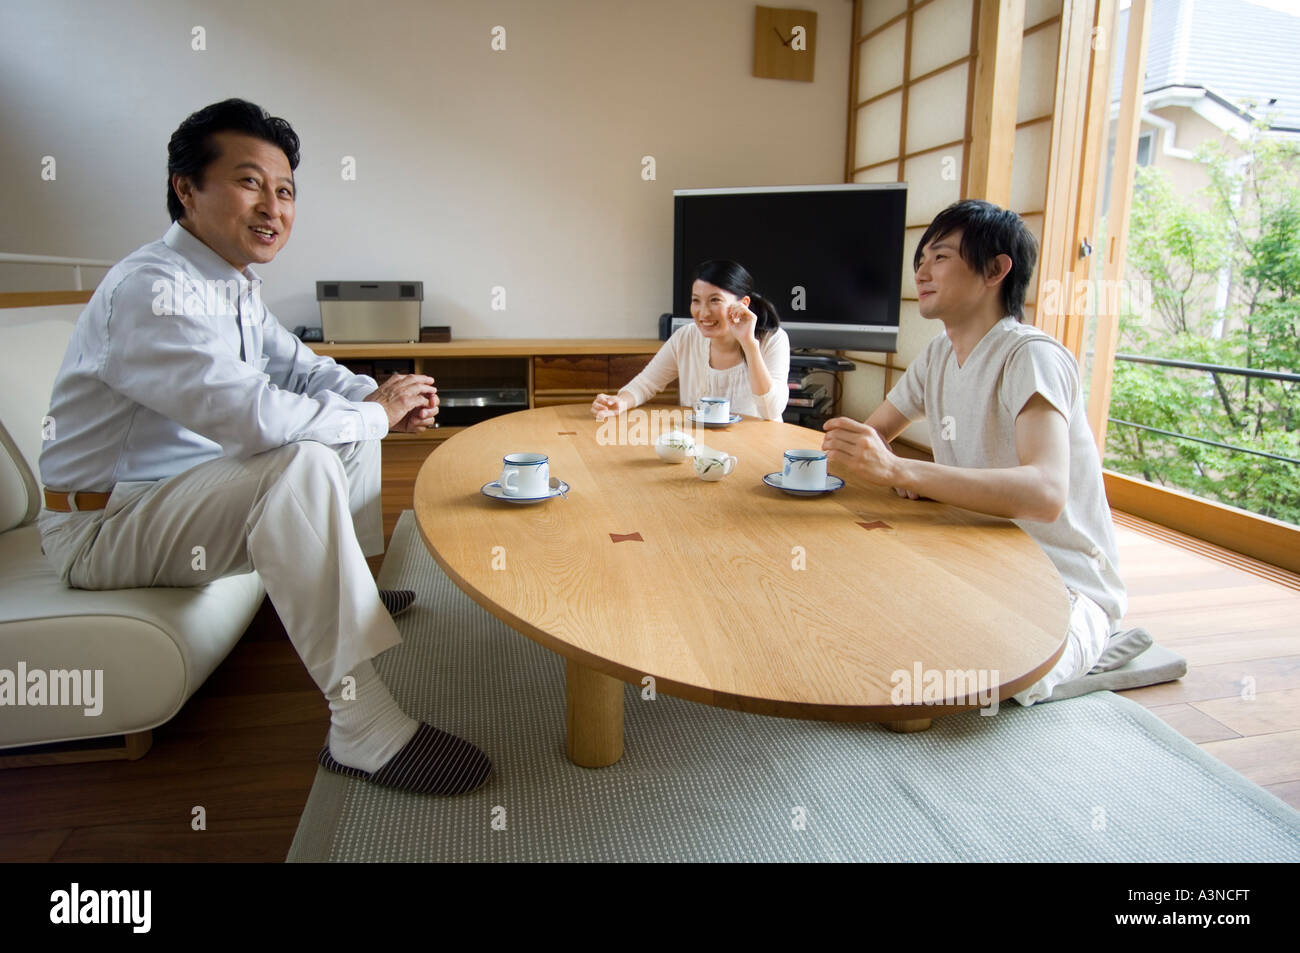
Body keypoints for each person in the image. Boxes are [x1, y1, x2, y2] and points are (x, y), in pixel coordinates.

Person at [37, 99, 491, 795]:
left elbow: (303, 369)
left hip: (180, 500)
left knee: (340, 411)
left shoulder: (234, 285)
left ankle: (353, 589)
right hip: (103, 526)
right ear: (185, 188)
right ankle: (361, 728)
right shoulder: (151, 290)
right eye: (249, 182)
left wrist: (380, 393)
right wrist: (374, 414)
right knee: (306, 451)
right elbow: (253, 420)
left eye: (284, 191)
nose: (272, 206)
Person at [822, 199, 1144, 706]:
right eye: (921, 258)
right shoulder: (938, 354)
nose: (922, 270)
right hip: (980, 552)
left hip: (1061, 579)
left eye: (941, 257)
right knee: (865, 609)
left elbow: (1045, 493)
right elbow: (874, 435)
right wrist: (852, 453)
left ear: (995, 269)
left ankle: (1096, 642)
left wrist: (907, 470)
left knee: (977, 676)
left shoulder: (1030, 356)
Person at [592, 260, 790, 421]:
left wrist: (749, 344)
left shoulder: (772, 340)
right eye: (696, 300)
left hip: (757, 448)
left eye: (715, 300)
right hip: (698, 447)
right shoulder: (686, 336)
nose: (703, 313)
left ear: (743, 303)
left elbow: (771, 411)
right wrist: (620, 402)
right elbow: (646, 383)